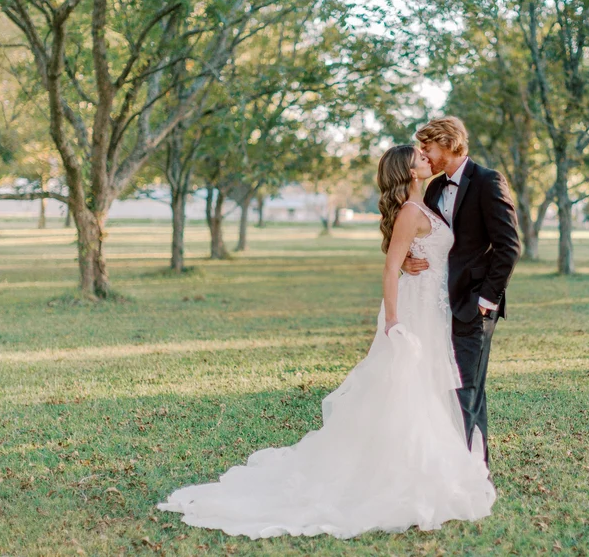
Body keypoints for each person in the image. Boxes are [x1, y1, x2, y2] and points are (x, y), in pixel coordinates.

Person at [158, 144, 495, 540]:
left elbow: (413, 251)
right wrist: (393, 323)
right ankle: (401, 473)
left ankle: (430, 464)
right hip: (414, 309)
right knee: (408, 384)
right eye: (419, 157)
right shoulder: (409, 211)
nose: (426, 158)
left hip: (435, 306)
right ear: (408, 171)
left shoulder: (427, 203)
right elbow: (390, 267)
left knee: (427, 385)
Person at [405, 117, 522, 466]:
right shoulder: (435, 188)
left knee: (465, 389)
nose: (424, 156)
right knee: (456, 387)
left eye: (428, 148)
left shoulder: (488, 182)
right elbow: (426, 239)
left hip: (474, 304)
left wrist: (486, 301)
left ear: (448, 143)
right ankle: (472, 469)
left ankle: (466, 475)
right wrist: (407, 261)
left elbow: (508, 247)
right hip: (439, 304)